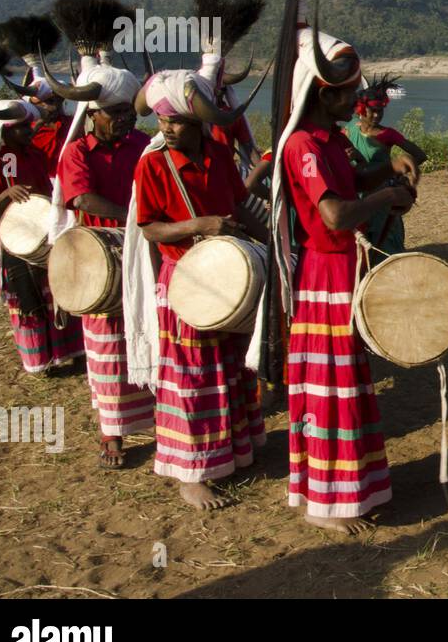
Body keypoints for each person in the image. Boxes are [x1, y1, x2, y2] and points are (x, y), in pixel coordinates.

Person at [275, 27, 414, 533]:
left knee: (346, 385)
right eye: (349, 92)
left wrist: (387, 170)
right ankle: (322, 502)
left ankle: (348, 489)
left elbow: (350, 184)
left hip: (342, 272)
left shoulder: (328, 140)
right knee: (327, 389)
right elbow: (334, 214)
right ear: (323, 93)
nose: (357, 100)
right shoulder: (303, 147)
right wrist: (386, 200)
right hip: (325, 273)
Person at [128, 70, 270, 510]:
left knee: (229, 367)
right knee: (189, 375)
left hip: (225, 274)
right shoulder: (152, 163)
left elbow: (237, 208)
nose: (167, 129)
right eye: (162, 120)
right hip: (183, 278)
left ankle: (230, 452)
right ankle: (189, 473)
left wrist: (273, 244)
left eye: (177, 122)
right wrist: (198, 226)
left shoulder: (218, 156)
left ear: (199, 123)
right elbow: (149, 228)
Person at [49, 60, 155, 467]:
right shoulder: (76, 152)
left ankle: (157, 419)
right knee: (108, 348)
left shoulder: (142, 145)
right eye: (117, 114)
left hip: (140, 249)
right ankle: (111, 435)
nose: (125, 120)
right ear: (92, 115)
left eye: (129, 112)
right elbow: (82, 200)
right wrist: (134, 220)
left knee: (144, 334)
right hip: (100, 260)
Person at [0, 100, 84, 374]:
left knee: (58, 295)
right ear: (6, 132)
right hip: (17, 243)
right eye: (22, 128)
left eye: (28, 125)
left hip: (44, 235)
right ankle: (40, 362)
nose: (29, 130)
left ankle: (72, 353)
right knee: (31, 302)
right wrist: (5, 194)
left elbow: (47, 189)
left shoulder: (33, 153)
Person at [343, 73, 425, 257]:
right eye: (373, 111)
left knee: (384, 238)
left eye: (381, 110)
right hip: (357, 189)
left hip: (380, 190)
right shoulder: (350, 128)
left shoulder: (388, 134)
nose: (377, 115)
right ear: (361, 110)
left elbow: (419, 155)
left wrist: (398, 172)